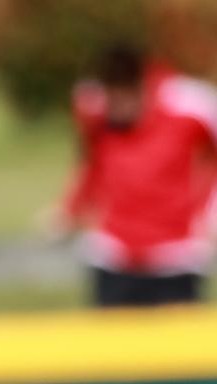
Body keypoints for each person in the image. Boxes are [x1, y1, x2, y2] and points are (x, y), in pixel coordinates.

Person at [42, 44, 217, 307]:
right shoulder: (92, 105)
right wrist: (70, 210)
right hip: (114, 256)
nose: (114, 110)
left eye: (122, 99)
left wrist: (210, 210)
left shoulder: (189, 104)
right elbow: (90, 163)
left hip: (175, 259)